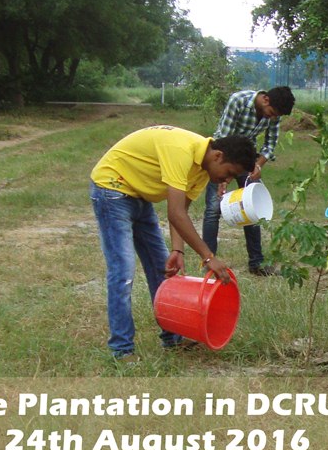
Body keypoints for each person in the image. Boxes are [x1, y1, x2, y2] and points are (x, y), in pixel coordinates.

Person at [90, 126, 256, 359]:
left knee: (164, 270)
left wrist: (177, 250)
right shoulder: (181, 150)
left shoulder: (203, 170)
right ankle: (122, 349)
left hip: (140, 196)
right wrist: (208, 256)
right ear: (218, 156)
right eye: (229, 173)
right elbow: (175, 213)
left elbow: (181, 212)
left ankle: (173, 338)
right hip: (112, 189)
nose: (226, 180)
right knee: (123, 271)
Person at [201, 86, 296, 277]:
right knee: (213, 209)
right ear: (266, 100)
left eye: (275, 116)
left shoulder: (274, 113)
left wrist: (257, 165)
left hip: (246, 160)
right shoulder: (239, 100)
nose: (272, 118)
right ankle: (208, 262)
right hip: (224, 157)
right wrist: (223, 177)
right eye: (271, 113)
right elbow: (222, 138)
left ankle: (257, 263)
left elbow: (270, 144)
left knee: (252, 209)